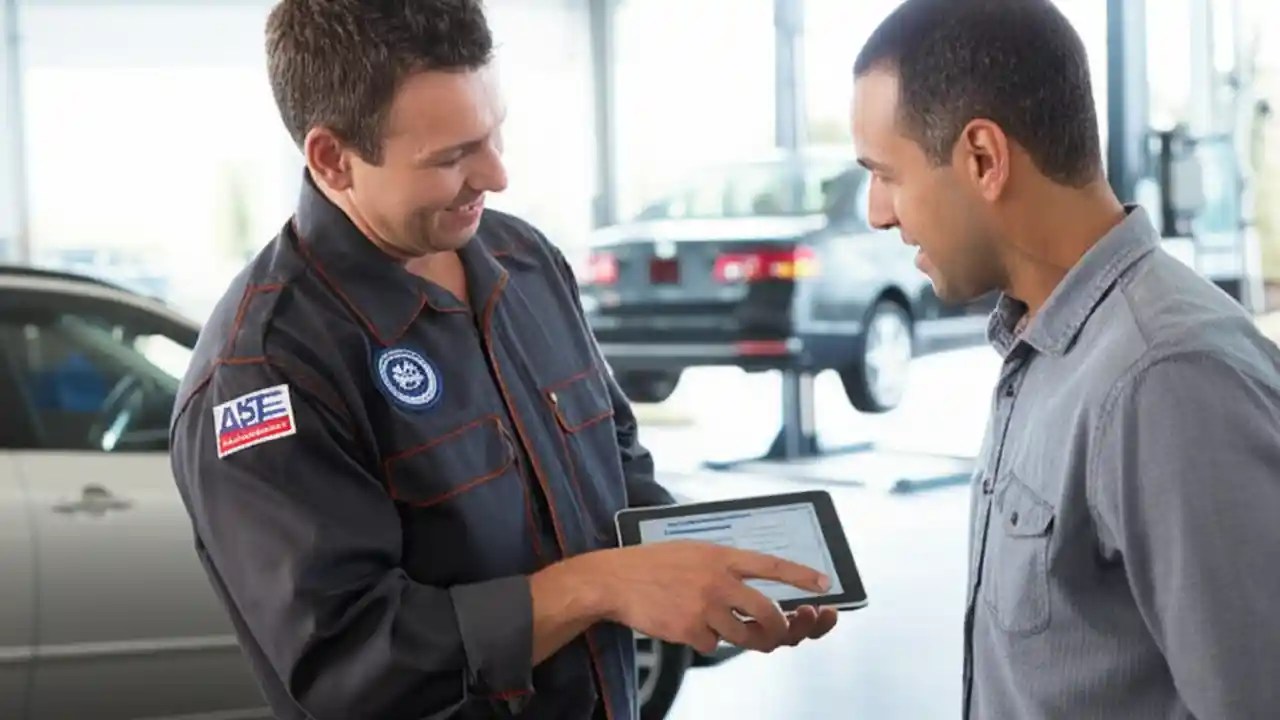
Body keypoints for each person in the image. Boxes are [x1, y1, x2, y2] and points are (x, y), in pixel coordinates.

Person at [168, 1, 837, 719]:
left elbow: (615, 462)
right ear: (333, 159)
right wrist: (597, 586)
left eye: (493, 133)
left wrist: (711, 574)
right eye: (452, 157)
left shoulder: (524, 261)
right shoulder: (268, 368)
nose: (497, 174)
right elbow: (350, 665)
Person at [850, 0, 1280, 718]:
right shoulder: (1043, 345)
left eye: (885, 174)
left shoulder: (1166, 380)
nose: (877, 212)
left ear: (983, 159)